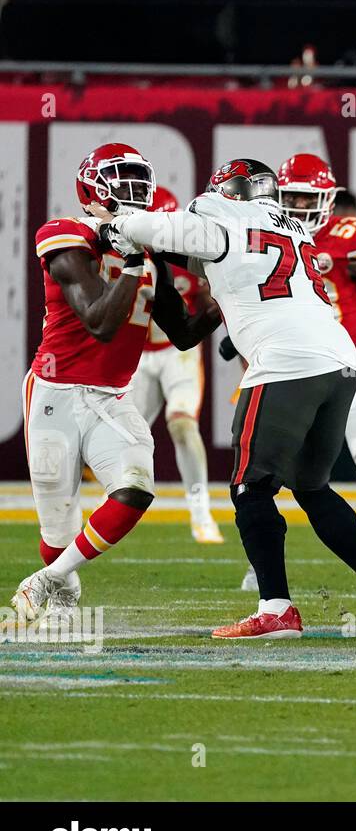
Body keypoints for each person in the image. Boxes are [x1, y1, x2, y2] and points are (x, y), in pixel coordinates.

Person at [100, 158, 356, 639]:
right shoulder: (295, 229)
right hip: (340, 363)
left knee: (250, 487)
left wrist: (111, 224)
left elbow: (157, 226)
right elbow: (218, 265)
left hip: (285, 363)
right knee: (312, 488)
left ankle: (276, 607)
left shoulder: (222, 220)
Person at [12, 144, 220, 626]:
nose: (132, 193)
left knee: (136, 488)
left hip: (110, 397)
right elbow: (99, 322)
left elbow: (183, 335)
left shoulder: (150, 255)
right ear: (90, 191)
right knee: (57, 522)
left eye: (136, 182)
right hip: (55, 392)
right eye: (119, 182)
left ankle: (47, 581)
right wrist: (131, 262)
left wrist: (219, 307)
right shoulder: (66, 234)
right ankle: (62, 585)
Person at [240, 154, 356, 592]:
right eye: (294, 196)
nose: (303, 206)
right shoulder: (264, 232)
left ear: (329, 199)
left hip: (354, 360)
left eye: (311, 197)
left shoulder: (345, 238)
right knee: (269, 469)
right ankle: (261, 562)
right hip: (296, 361)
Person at [128, 185, 224, 544]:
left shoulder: (188, 253)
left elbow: (211, 296)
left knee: (182, 426)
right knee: (126, 438)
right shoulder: (122, 250)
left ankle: (200, 511)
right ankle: (121, 509)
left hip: (176, 354)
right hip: (137, 354)